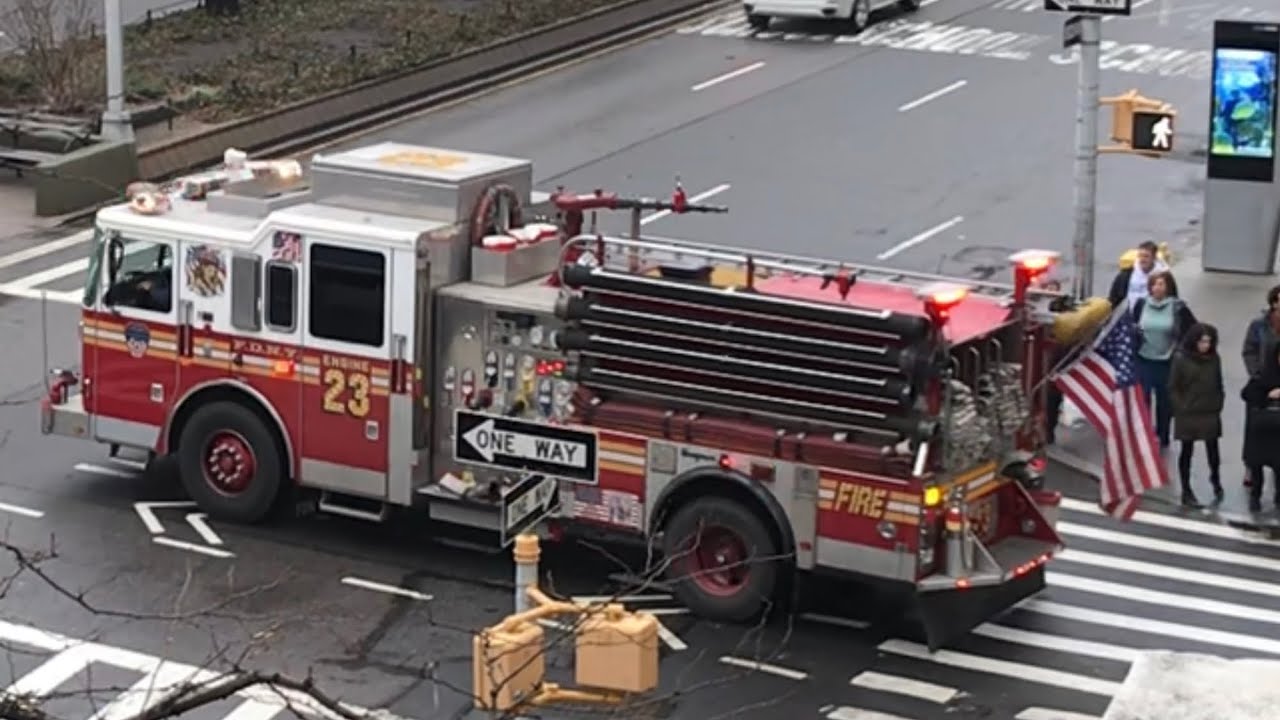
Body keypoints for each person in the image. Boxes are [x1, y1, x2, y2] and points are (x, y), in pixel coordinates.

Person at [1132, 271, 1197, 448]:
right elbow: (1132, 325)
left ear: (1168, 287)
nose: (1157, 288)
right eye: (1154, 284)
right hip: (1144, 358)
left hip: (1167, 362)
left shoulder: (1178, 308)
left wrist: (1181, 350)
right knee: (1142, 398)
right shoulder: (1141, 304)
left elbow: (1194, 331)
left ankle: (1163, 434)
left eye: (1161, 284)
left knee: (1165, 402)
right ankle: (1144, 434)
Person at [1169, 324, 1224, 507]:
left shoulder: (1214, 359)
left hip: (1209, 410)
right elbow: (1173, 387)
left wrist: (1218, 403)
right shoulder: (1181, 359)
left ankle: (1215, 479)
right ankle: (1186, 489)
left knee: (1213, 450)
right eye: (1202, 341)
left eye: (1208, 341)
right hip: (1188, 412)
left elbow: (1218, 382)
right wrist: (1181, 407)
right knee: (1187, 451)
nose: (1205, 345)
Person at [1240, 284, 1280, 487]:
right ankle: (1251, 466)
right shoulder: (1259, 325)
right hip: (1261, 383)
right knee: (1254, 428)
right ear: (1274, 302)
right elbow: (1249, 350)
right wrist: (1256, 374)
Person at [1241, 342, 1280, 512]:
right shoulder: (1264, 375)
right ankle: (1255, 496)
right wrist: (1268, 395)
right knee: (1257, 467)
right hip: (1262, 430)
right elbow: (1247, 394)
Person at [1108, 240, 1169, 311]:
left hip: (1153, 313)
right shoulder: (1127, 274)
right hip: (1131, 313)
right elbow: (1114, 298)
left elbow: (1171, 298)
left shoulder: (1163, 275)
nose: (1142, 260)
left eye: (1146, 256)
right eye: (1140, 256)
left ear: (1154, 258)